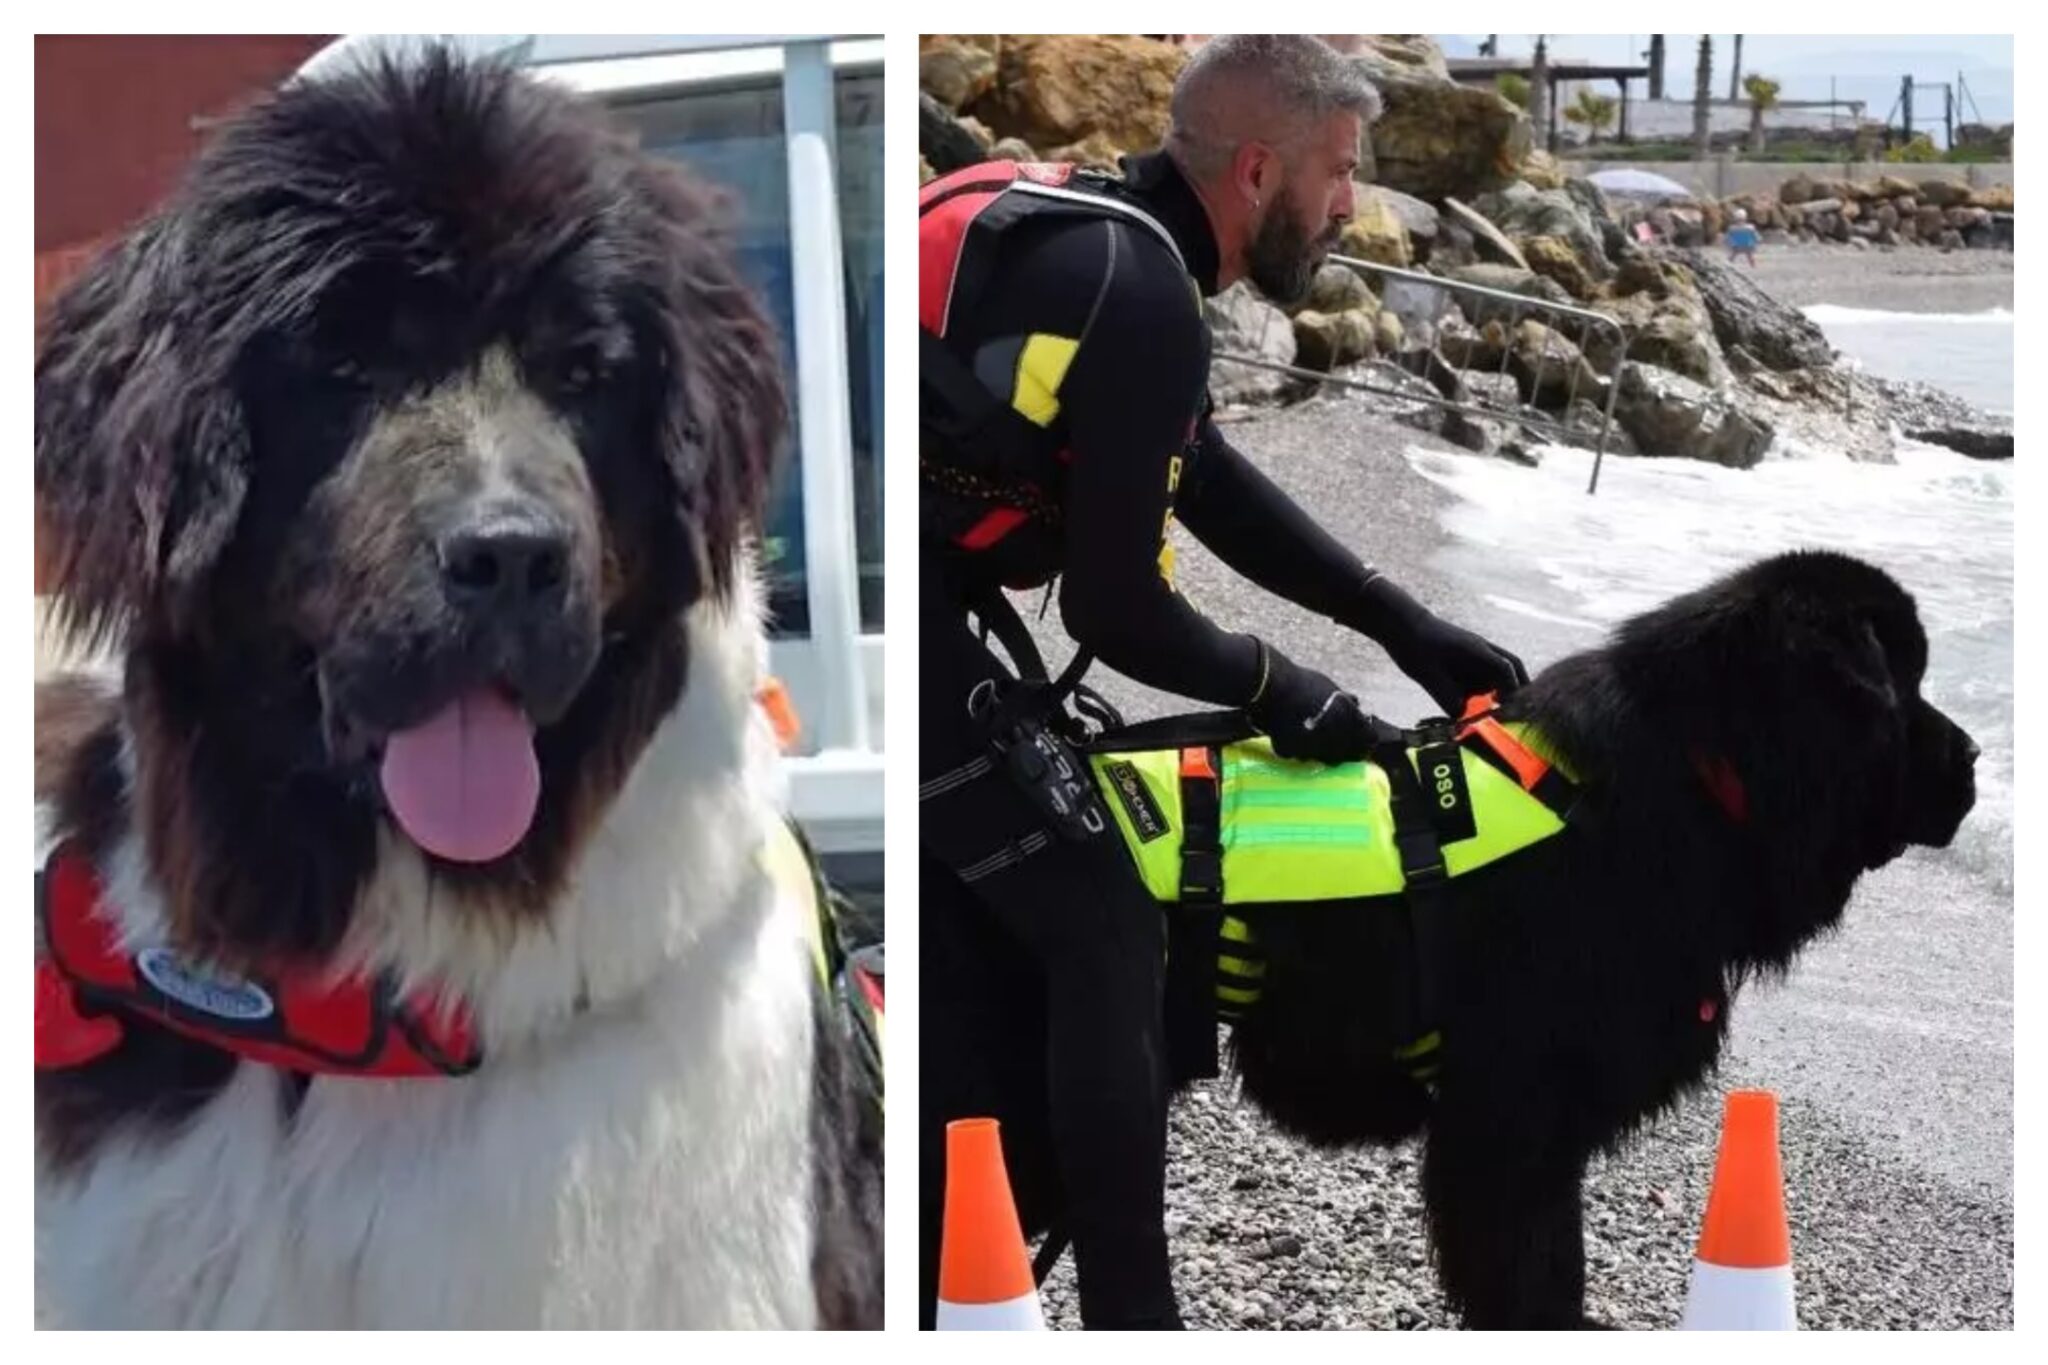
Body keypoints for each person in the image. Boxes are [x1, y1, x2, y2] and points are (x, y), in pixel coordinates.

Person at [919, 34, 1528, 1329]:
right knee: (1107, 925)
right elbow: (1115, 606)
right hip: (876, 620)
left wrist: (1399, 622)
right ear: (1259, 171)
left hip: (890, 597)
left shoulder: (1086, 224)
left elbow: (1186, 461)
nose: (1351, 205)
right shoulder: (1136, 291)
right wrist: (1286, 688)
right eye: (1340, 172)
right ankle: (1134, 1320)